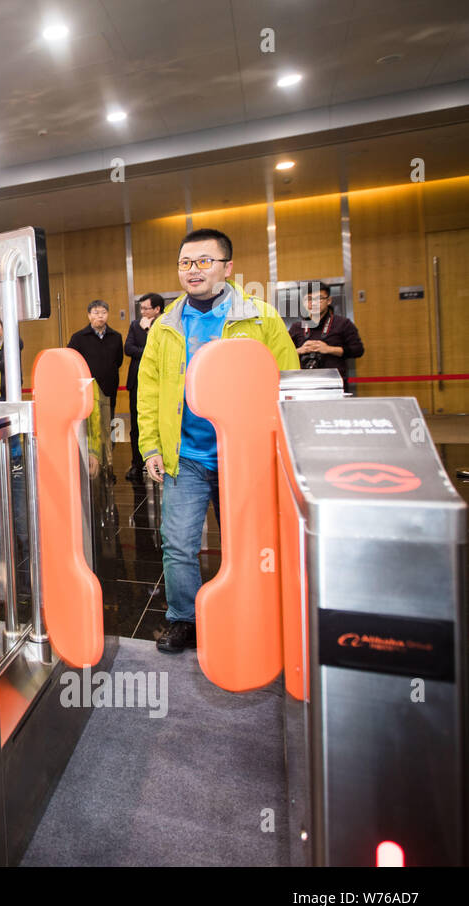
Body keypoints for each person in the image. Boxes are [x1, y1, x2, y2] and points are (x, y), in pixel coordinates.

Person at [137, 228, 299, 654]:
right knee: (178, 546)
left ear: (227, 267)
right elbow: (149, 390)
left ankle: (250, 611)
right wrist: (150, 446)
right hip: (184, 456)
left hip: (243, 457)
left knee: (245, 541)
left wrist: (283, 448)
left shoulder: (261, 318)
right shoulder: (165, 325)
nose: (194, 270)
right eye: (186, 263)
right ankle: (182, 618)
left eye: (204, 261)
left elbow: (289, 384)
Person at [287, 281, 364, 379]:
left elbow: (358, 350)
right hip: (304, 382)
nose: (313, 303)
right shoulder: (296, 327)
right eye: (309, 299)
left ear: (329, 300)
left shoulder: (343, 323)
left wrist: (329, 349)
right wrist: (300, 350)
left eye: (319, 298)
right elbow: (285, 353)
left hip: (335, 383)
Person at [124, 293, 164, 481]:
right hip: (136, 382)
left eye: (146, 308)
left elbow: (160, 353)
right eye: (141, 309)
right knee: (136, 425)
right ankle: (136, 463)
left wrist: (149, 332)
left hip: (160, 381)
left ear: (157, 309)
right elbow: (128, 349)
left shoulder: (165, 325)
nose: (143, 312)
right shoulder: (135, 325)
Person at [68, 300, 124, 419]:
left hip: (109, 388)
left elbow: (118, 361)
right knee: (89, 424)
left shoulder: (116, 336)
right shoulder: (78, 337)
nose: (100, 316)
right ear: (89, 315)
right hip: (87, 389)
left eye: (104, 312)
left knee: (108, 423)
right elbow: (72, 361)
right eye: (96, 312)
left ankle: (109, 438)